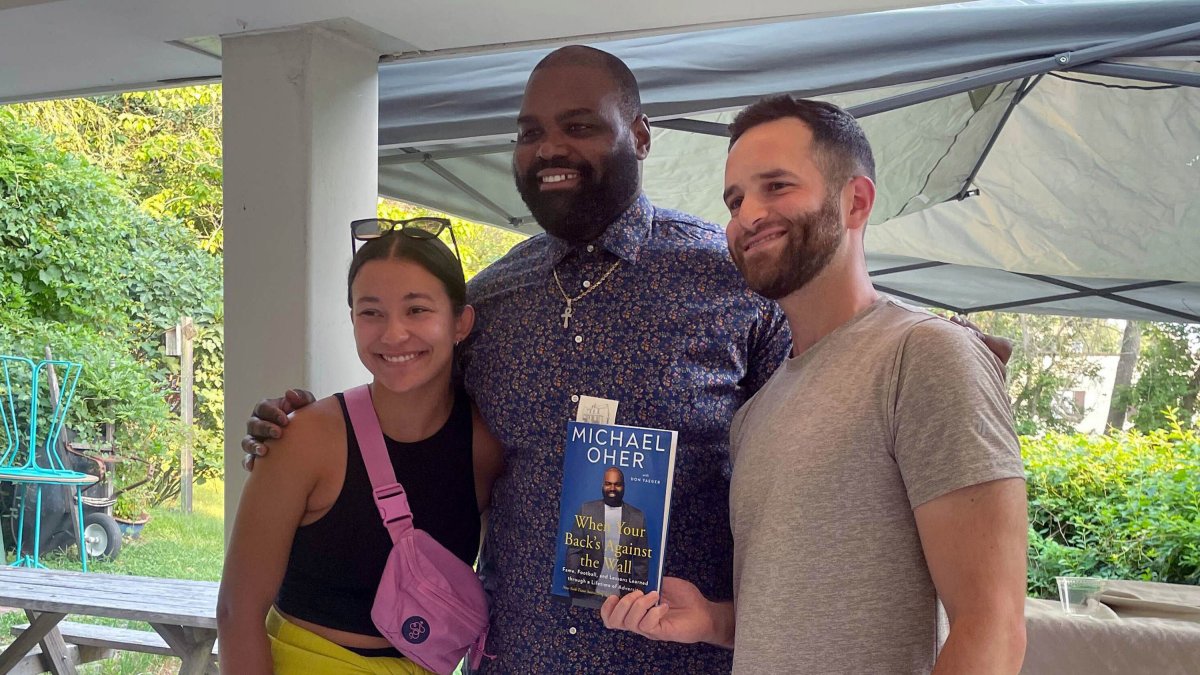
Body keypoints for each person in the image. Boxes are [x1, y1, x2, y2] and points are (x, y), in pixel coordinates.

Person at [241, 48, 1011, 673]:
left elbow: (831, 390)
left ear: (639, 135)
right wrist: (304, 427)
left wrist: (929, 347)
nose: (550, 147)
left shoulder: (737, 283)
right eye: (530, 131)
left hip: (682, 660)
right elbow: (412, 420)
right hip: (520, 660)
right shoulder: (491, 302)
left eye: (579, 125)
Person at [601, 96, 1029, 674]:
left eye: (777, 186)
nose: (748, 215)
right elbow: (806, 615)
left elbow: (992, 628)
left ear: (856, 201)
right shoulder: (757, 411)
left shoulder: (925, 355)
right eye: (735, 200)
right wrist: (713, 620)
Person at [218, 225, 503, 674]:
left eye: (417, 309)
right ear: (352, 320)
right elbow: (237, 612)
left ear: (460, 323)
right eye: (372, 312)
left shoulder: (485, 448)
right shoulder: (306, 439)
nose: (393, 334)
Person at [565, 467, 650, 601]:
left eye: (617, 484)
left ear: (624, 486)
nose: (612, 488)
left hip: (622, 598)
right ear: (602, 485)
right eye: (608, 484)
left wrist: (637, 596)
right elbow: (574, 550)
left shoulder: (637, 517)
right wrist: (573, 584)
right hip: (587, 593)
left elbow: (641, 562)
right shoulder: (586, 510)